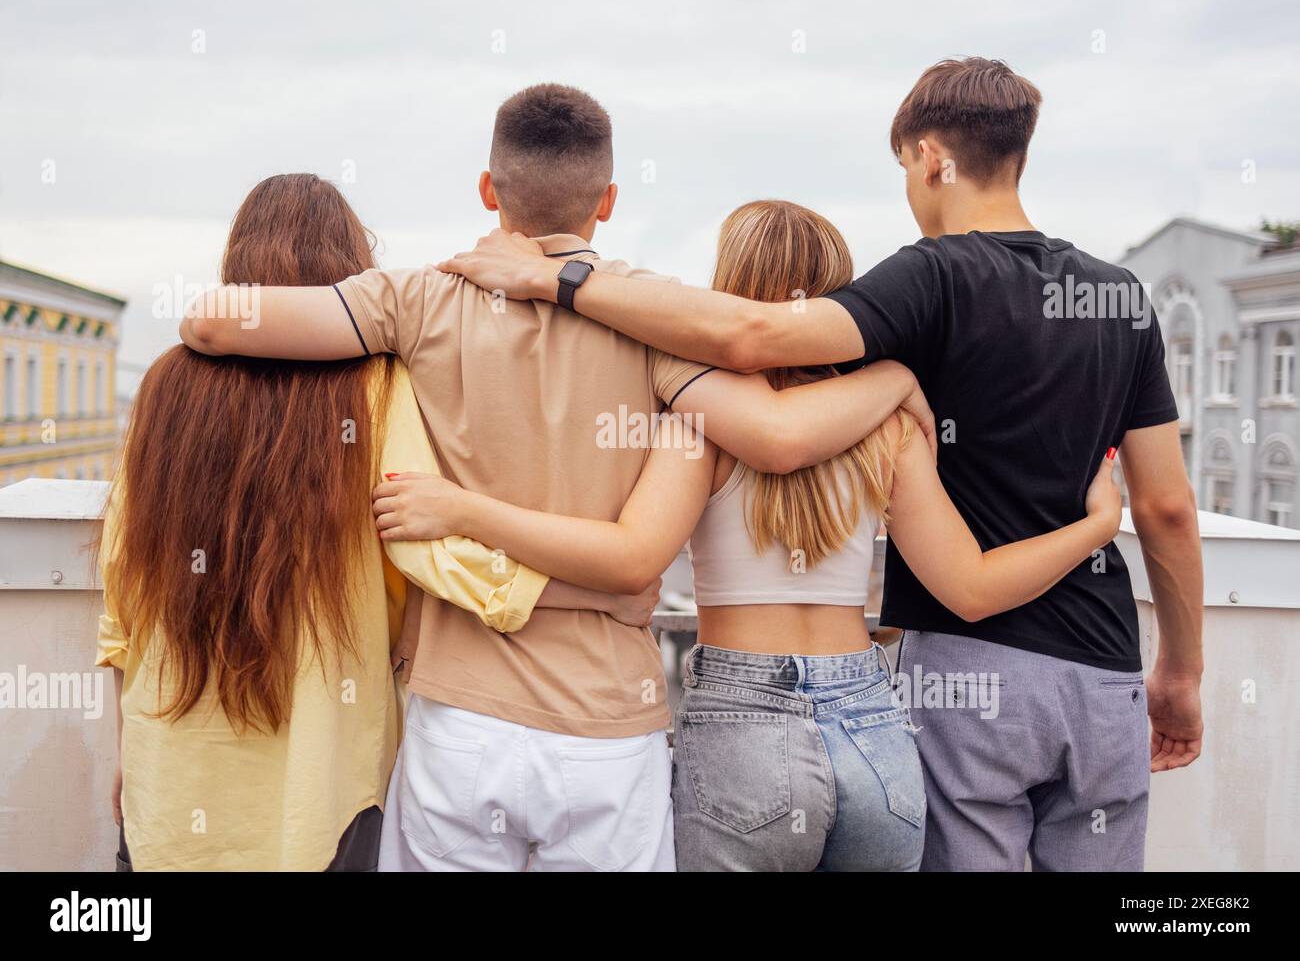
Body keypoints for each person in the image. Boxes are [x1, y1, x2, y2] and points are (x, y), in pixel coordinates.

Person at [436, 59, 1205, 872]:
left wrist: (556, 281)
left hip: (787, 712)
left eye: (906, 163)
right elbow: (1130, 523)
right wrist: (1118, 564)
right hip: (941, 713)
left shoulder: (719, 407)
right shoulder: (923, 406)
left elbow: (642, 553)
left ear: (931, 157)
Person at [179, 85, 936, 872]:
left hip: (459, 718)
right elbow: (777, 437)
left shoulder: (415, 298)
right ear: (606, 200)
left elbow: (211, 321)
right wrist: (893, 384)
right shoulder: (653, 320)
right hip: (608, 730)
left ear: (487, 190)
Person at [376, 197, 1123, 872]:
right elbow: (971, 589)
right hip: (872, 729)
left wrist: (467, 517)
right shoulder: (887, 423)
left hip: (745, 724)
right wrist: (1095, 525)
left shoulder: (700, 417)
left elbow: (634, 558)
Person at [99, 173, 654, 871]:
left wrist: (125, 748)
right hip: (322, 781)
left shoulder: (164, 386)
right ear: (348, 271)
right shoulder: (376, 388)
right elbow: (437, 553)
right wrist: (598, 591)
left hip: (171, 775)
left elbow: (124, 593)